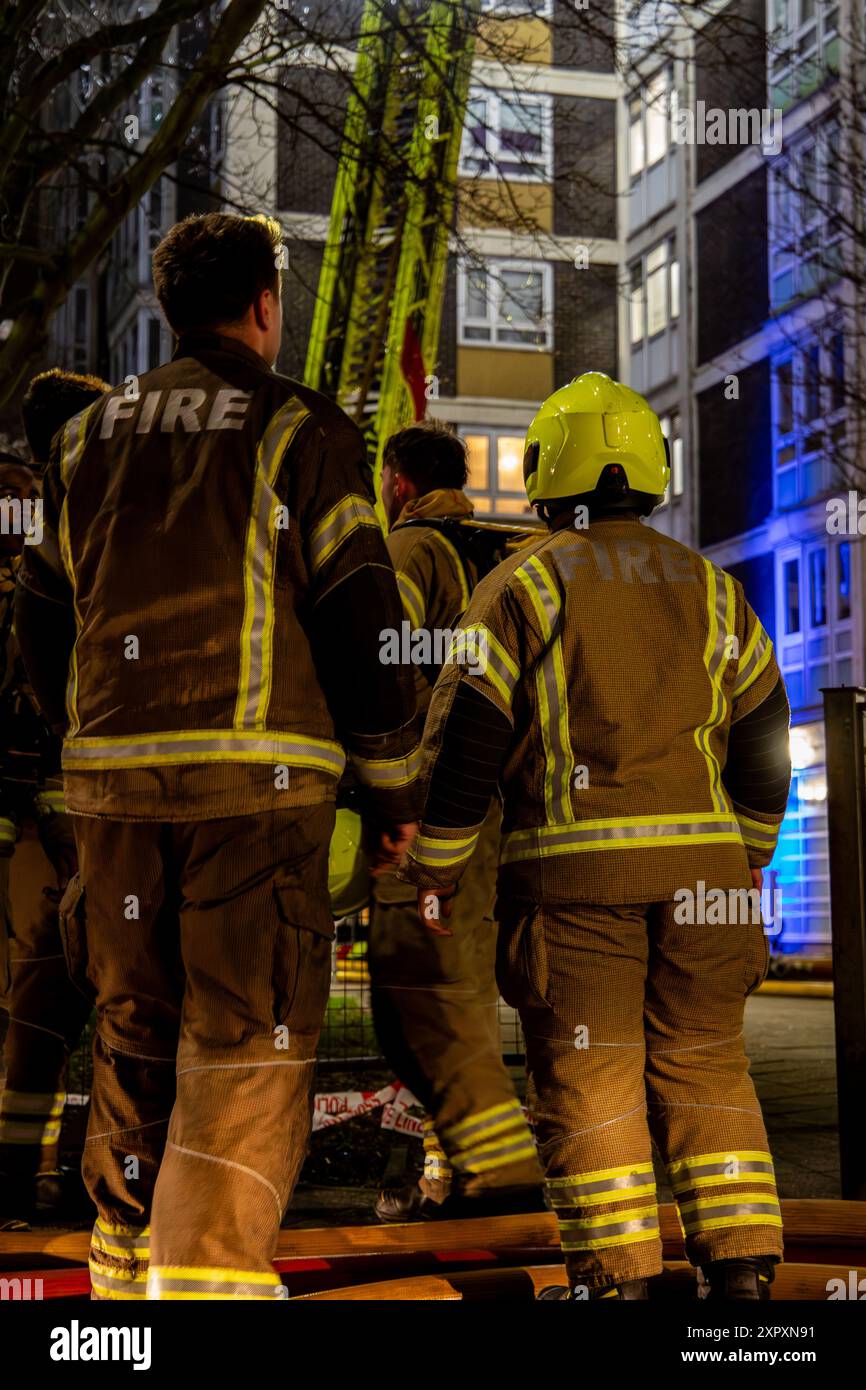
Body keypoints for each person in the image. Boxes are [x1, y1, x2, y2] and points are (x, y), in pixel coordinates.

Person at [15, 212, 420, 1300]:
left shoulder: (83, 442)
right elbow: (360, 619)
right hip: (257, 789)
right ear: (264, 306)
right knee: (246, 1035)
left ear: (164, 309)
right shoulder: (302, 430)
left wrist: (86, 745)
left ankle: (122, 1268)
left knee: (135, 1022)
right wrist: (391, 790)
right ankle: (205, 1287)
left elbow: (41, 621)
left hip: (111, 794)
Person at [401, 372, 791, 1301]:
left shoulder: (523, 584)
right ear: (651, 474)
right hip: (712, 887)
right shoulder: (707, 584)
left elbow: (467, 743)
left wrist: (437, 867)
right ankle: (741, 1275)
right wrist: (748, 849)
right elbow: (767, 727)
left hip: (579, 891)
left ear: (545, 472)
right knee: (707, 1065)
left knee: (592, 1074)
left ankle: (619, 1283)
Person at [370, 423, 541, 1220]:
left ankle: (498, 1177)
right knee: (498, 994)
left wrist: (383, 798)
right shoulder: (514, 551)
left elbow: (385, 677)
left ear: (398, 482)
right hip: (527, 808)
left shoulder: (411, 553)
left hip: (442, 805)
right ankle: (477, 1168)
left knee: (421, 985)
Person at [0, 373, 109, 1224]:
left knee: (46, 997)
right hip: (67, 800)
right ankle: (64, 1177)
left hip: (52, 800)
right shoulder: (73, 531)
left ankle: (35, 1177)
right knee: (67, 990)